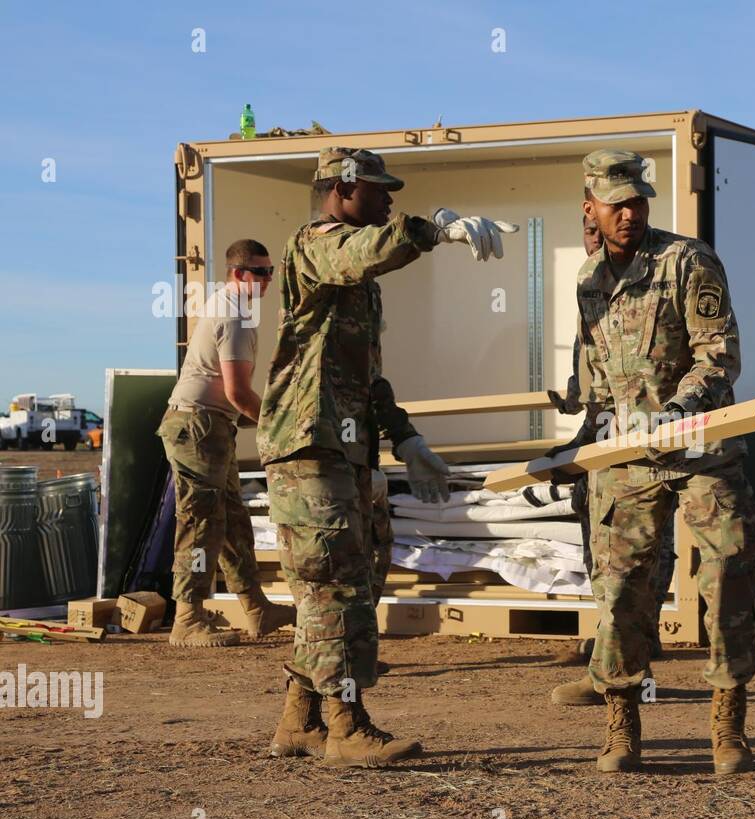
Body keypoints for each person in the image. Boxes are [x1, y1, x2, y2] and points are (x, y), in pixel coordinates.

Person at [260, 147, 516, 767]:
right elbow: (362, 252)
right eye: (379, 190)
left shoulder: (362, 290)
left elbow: (369, 381)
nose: (389, 199)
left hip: (346, 452)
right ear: (343, 190)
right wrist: (433, 231)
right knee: (332, 587)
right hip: (307, 446)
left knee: (357, 580)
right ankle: (346, 726)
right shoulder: (317, 245)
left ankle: (299, 720)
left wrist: (406, 440)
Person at [575, 149, 755, 774]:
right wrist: (582, 444)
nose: (629, 213)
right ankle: (621, 723)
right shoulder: (587, 281)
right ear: (592, 210)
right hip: (626, 458)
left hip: (702, 447)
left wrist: (679, 410)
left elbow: (719, 356)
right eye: (616, 203)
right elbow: (597, 378)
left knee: (727, 572)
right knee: (622, 589)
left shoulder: (687, 260)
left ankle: (727, 724)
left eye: (638, 201)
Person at [548, 214, 672, 707]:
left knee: (648, 552)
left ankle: (631, 653)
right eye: (590, 235)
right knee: (602, 548)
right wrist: (575, 448)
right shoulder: (590, 288)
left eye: (604, 237)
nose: (598, 244)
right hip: (604, 442)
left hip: (653, 444)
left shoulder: (655, 280)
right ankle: (611, 651)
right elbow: (598, 391)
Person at [157, 239, 296, 648]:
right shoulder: (233, 316)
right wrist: (278, 427)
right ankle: (187, 618)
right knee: (201, 522)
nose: (268, 280)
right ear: (238, 274)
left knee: (232, 519)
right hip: (199, 427)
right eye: (260, 272)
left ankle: (256, 608)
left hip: (211, 427)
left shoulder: (236, 309)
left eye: (272, 272)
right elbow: (238, 393)